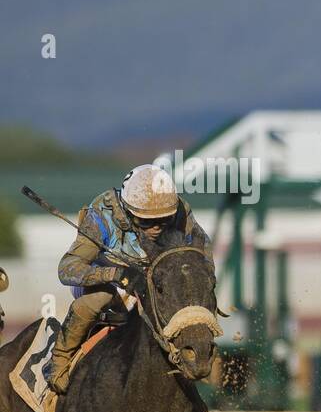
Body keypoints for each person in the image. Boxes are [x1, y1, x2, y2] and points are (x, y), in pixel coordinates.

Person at [46, 164, 211, 394]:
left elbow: (203, 255)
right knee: (101, 296)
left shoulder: (181, 212)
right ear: (128, 211)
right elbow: (67, 269)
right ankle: (59, 360)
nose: (156, 228)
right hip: (106, 282)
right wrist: (116, 275)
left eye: (164, 221)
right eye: (147, 222)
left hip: (153, 283)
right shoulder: (102, 216)